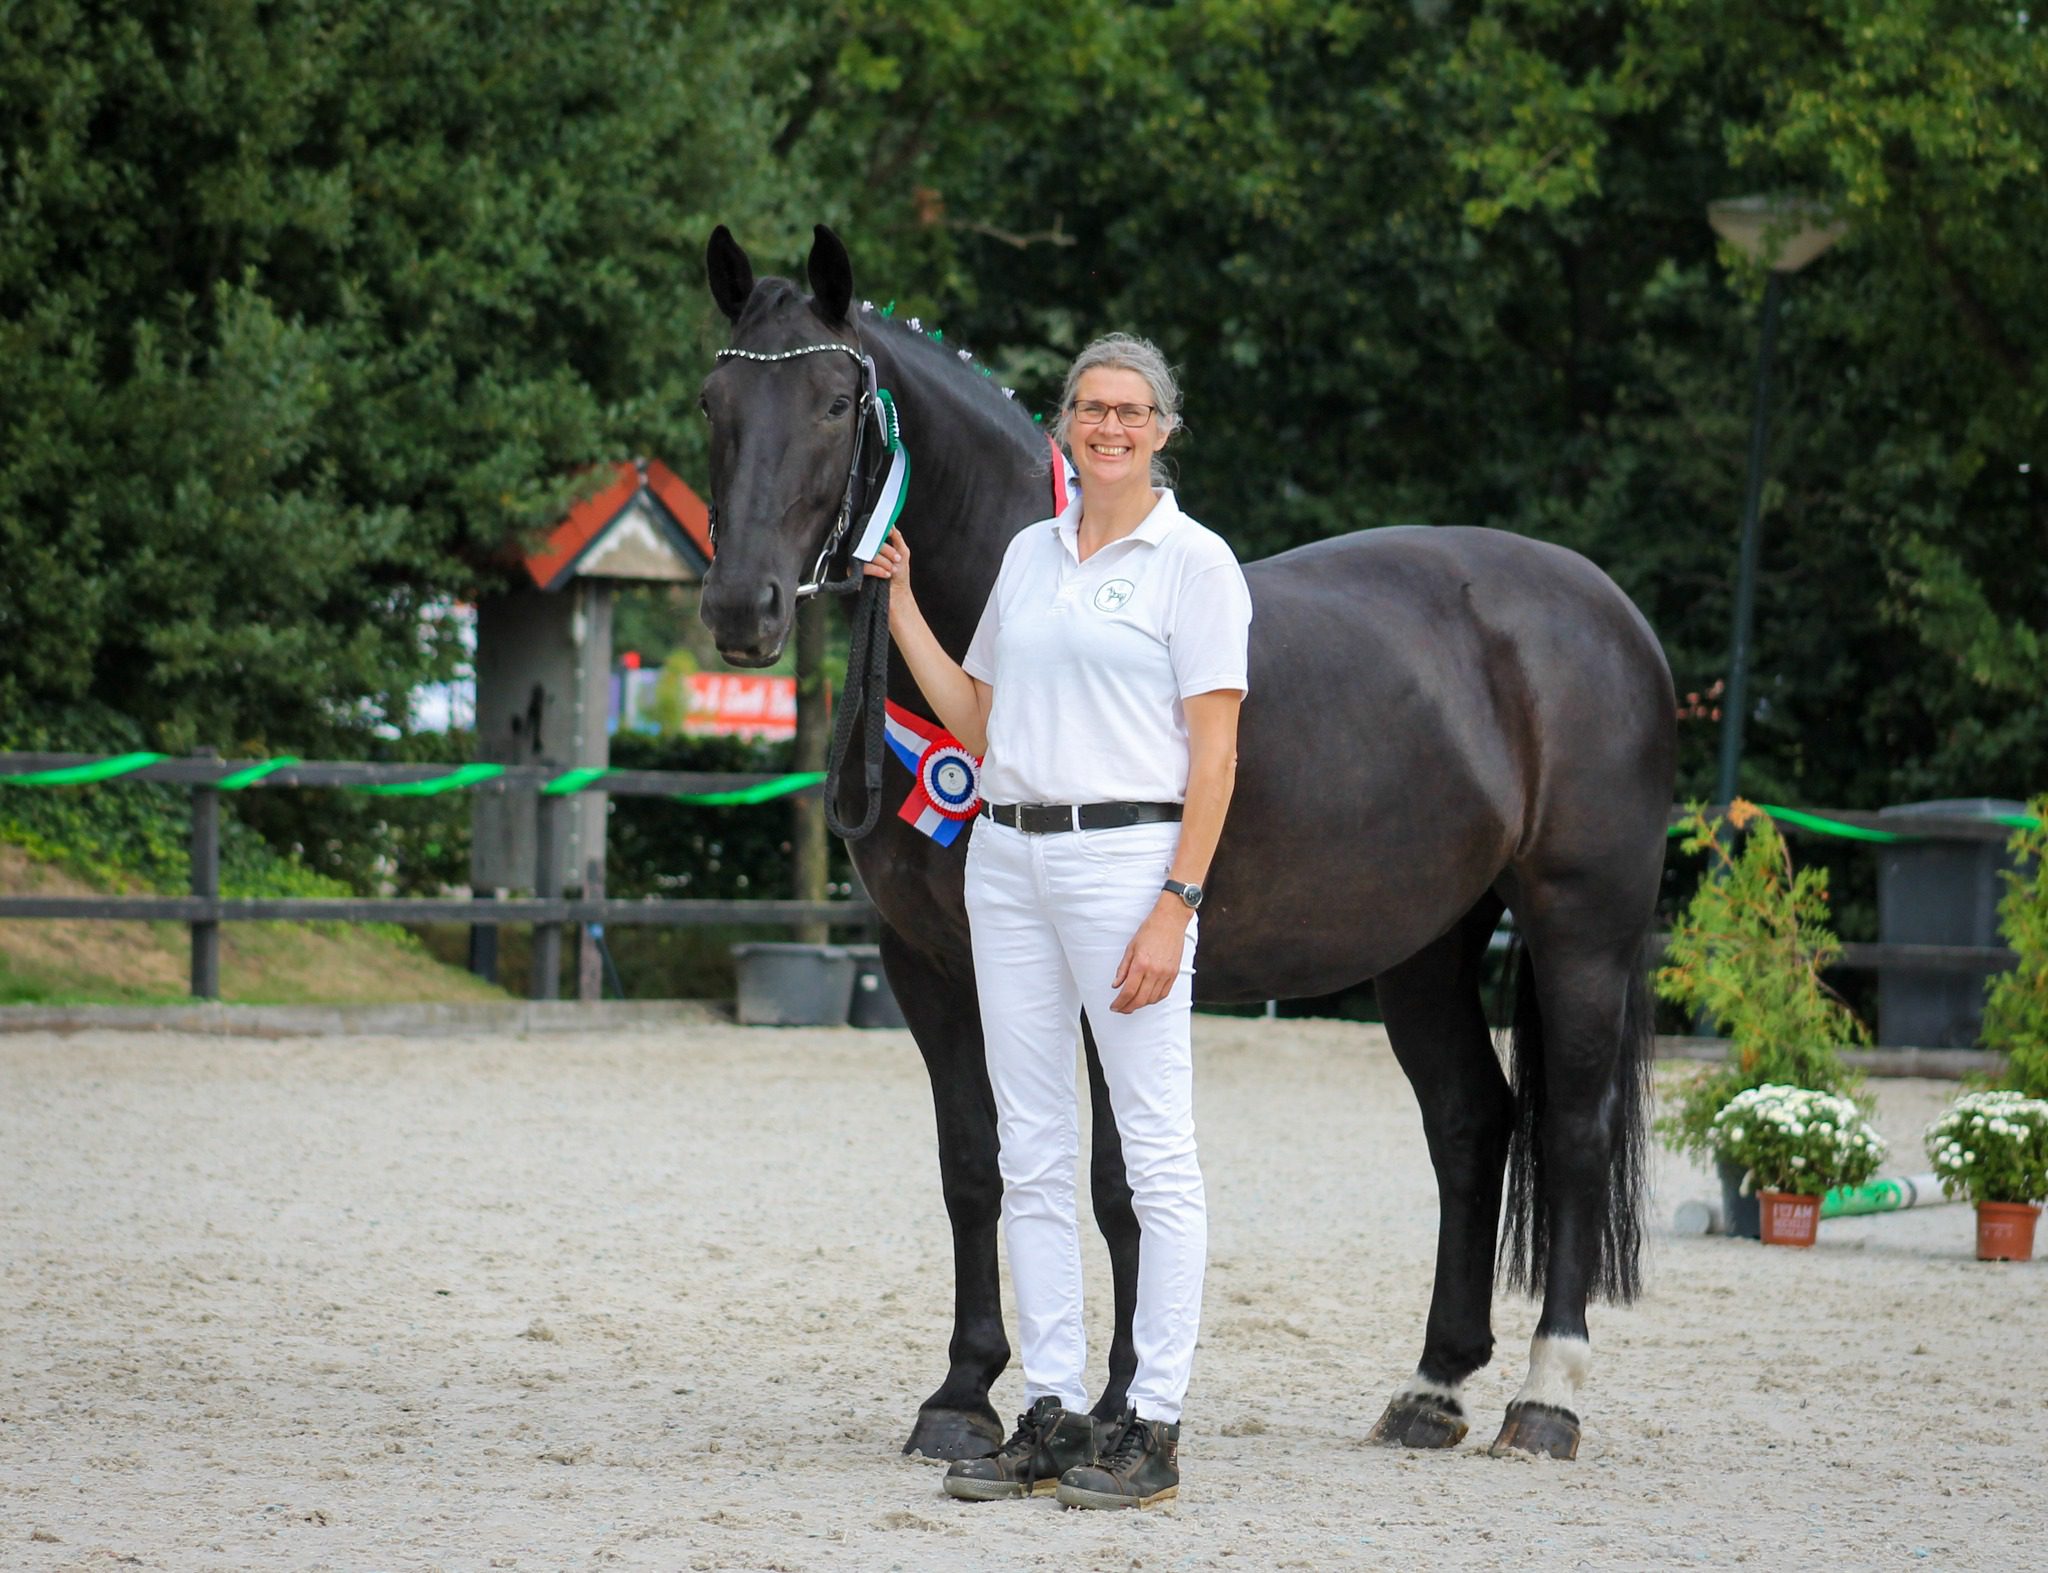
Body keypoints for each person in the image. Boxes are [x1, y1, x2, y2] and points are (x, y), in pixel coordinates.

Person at [863, 333, 1251, 1510]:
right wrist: (903, 611)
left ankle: (1156, 1420)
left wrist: (1174, 903)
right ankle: (1050, 1406)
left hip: (1126, 858)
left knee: (1152, 1148)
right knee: (1030, 1144)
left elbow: (1217, 752)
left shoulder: (1194, 562)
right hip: (1009, 856)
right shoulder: (1031, 555)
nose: (1111, 427)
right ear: (1067, 423)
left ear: (1162, 429)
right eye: (1092, 408)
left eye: (1132, 411)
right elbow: (977, 723)